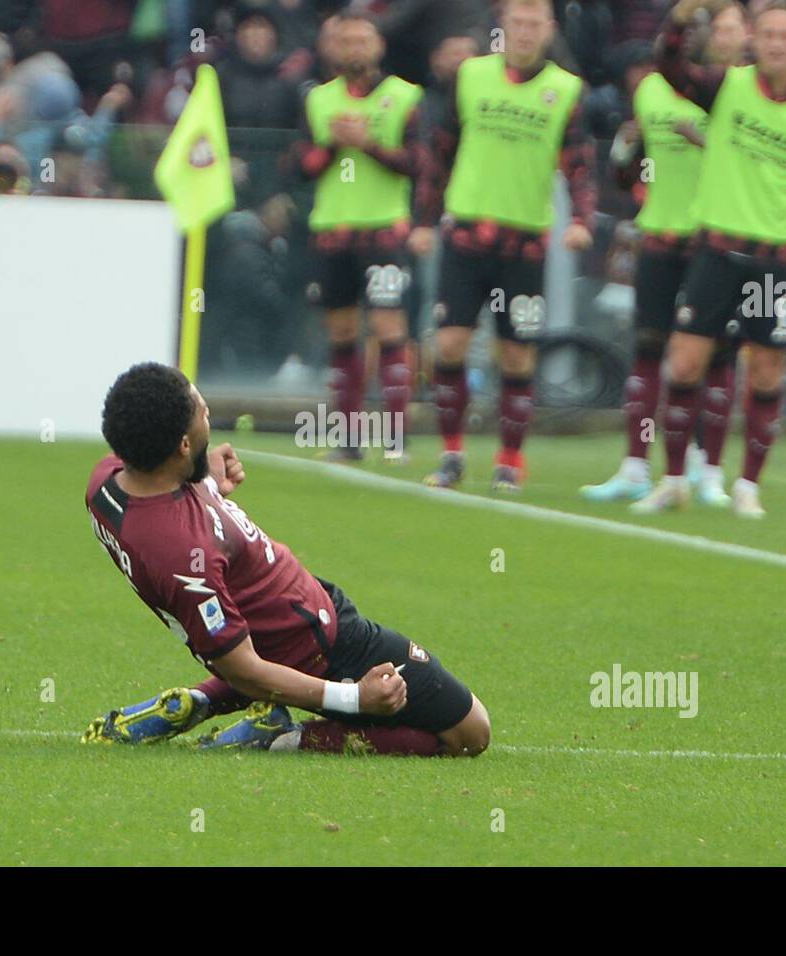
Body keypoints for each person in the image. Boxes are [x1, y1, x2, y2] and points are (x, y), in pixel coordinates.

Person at [80, 363, 491, 756]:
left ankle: (202, 698)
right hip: (318, 645)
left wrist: (206, 481)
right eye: (201, 410)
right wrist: (354, 697)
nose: (207, 413)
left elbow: (168, 507)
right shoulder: (188, 557)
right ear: (182, 445)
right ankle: (280, 738)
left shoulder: (109, 481)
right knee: (470, 731)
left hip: (287, 616)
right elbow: (243, 667)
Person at [632, 0, 786, 518]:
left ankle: (748, 485)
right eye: (767, 34)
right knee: (684, 363)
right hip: (717, 251)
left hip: (777, 258)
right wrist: (681, 20)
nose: (776, 44)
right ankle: (675, 479)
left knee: (768, 373)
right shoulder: (726, 87)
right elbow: (671, 69)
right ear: (753, 40)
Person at [416, 0, 597, 493]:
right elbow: (440, 148)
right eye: (517, 22)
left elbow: (579, 161)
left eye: (534, 24)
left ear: (548, 30)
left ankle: (510, 459)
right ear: (503, 27)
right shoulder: (471, 75)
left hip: (526, 244)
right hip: (467, 233)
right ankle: (451, 453)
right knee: (449, 344)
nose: (524, 31)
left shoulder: (565, 89)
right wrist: (424, 219)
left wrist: (580, 219)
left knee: (517, 355)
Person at [582, 1, 750, 507]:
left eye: (726, 27)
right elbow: (630, 168)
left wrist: (702, 140)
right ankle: (635, 465)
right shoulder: (658, 85)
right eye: (709, 26)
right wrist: (623, 151)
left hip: (715, 238)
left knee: (712, 354)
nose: (716, 36)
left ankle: (708, 469)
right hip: (660, 233)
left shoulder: (748, 93)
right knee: (650, 351)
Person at [293, 12, 426, 461]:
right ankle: (347, 438)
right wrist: (334, 145)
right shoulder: (317, 100)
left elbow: (417, 163)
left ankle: (395, 437)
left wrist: (367, 144)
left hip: (384, 229)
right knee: (343, 333)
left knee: (389, 327)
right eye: (346, 41)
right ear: (333, 49)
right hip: (333, 230)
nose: (354, 49)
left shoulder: (404, 97)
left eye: (362, 41)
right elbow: (300, 166)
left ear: (378, 47)